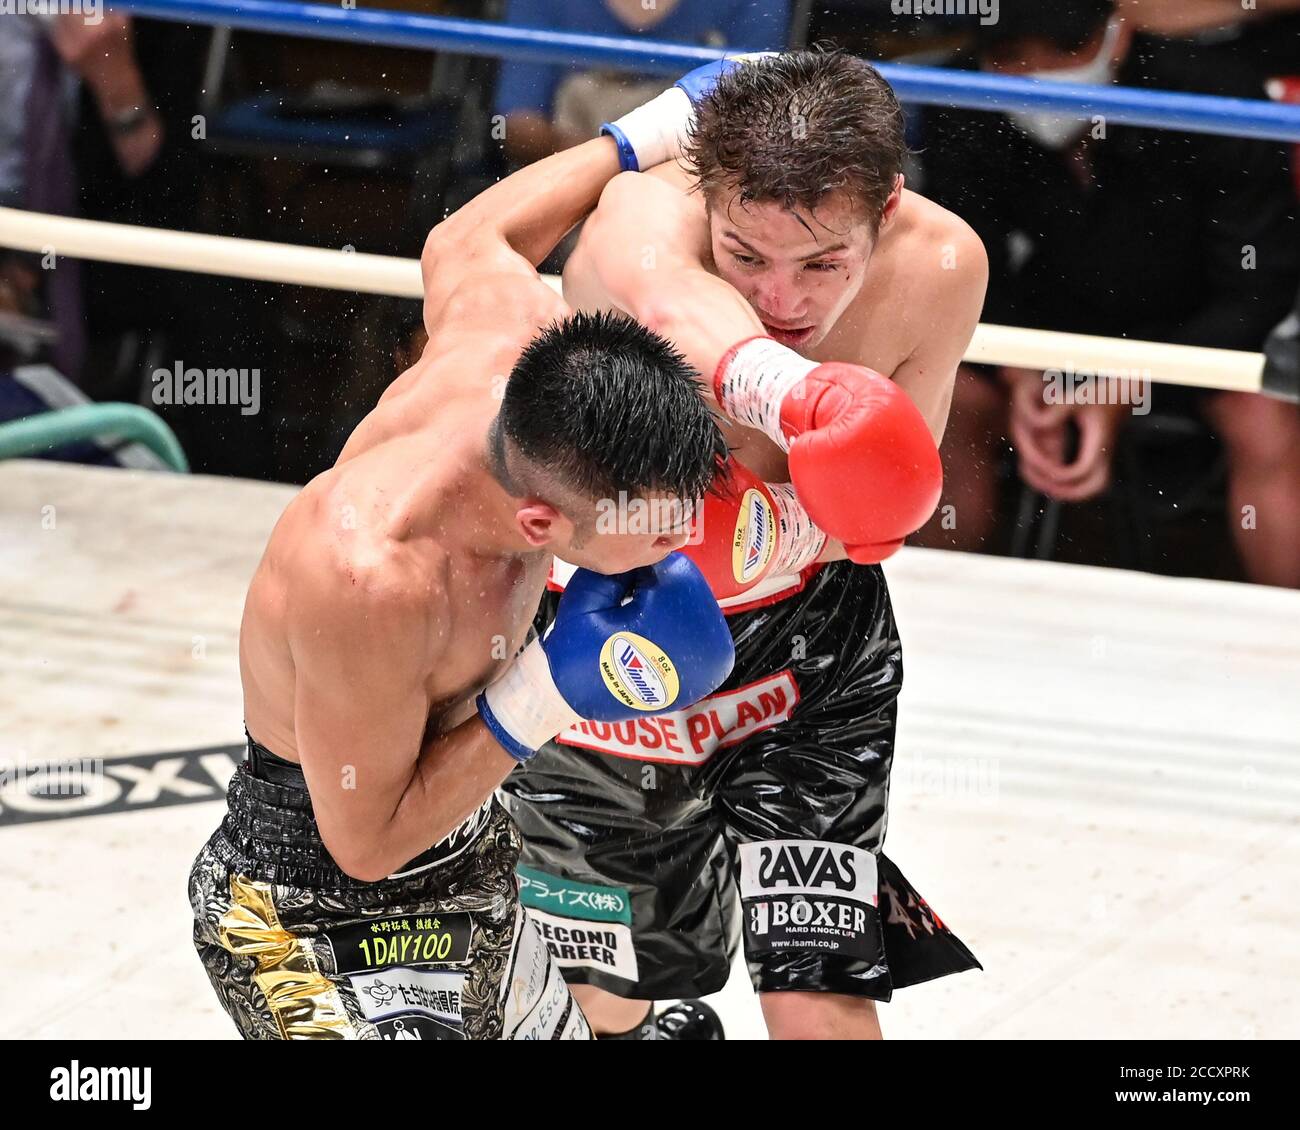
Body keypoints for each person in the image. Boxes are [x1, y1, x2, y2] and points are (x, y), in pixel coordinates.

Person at [188, 128, 740, 1040]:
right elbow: (363, 848)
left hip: (472, 848)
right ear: (541, 526)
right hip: (307, 900)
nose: (681, 545)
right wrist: (546, 691)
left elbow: (466, 241)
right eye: (657, 528)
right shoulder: (374, 577)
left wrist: (652, 128)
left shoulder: (517, 354)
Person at [500, 49, 988, 1040]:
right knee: (616, 992)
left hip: (811, 651)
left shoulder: (941, 264)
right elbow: (686, 314)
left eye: (822, 262)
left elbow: (882, 507)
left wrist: (823, 512)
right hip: (614, 629)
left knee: (815, 984)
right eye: (747, 254)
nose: (784, 296)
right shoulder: (639, 219)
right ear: (706, 200)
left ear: (885, 208)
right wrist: (800, 403)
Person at [914, 0, 1300, 587]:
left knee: (1266, 413)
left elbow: (1255, 290)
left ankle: (1286, 635)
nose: (1037, 76)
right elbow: (954, 265)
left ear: (1115, 37)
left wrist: (1130, 382)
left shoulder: (1216, 102)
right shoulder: (962, 100)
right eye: (1012, 57)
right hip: (1033, 334)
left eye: (1061, 54)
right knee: (943, 397)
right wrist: (1021, 370)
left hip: (1192, 338)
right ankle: (924, 616)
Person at [494, 0, 791, 166]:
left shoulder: (754, 4)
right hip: (568, 201)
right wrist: (618, 166)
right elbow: (518, 125)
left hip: (694, 195)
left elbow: (756, 136)